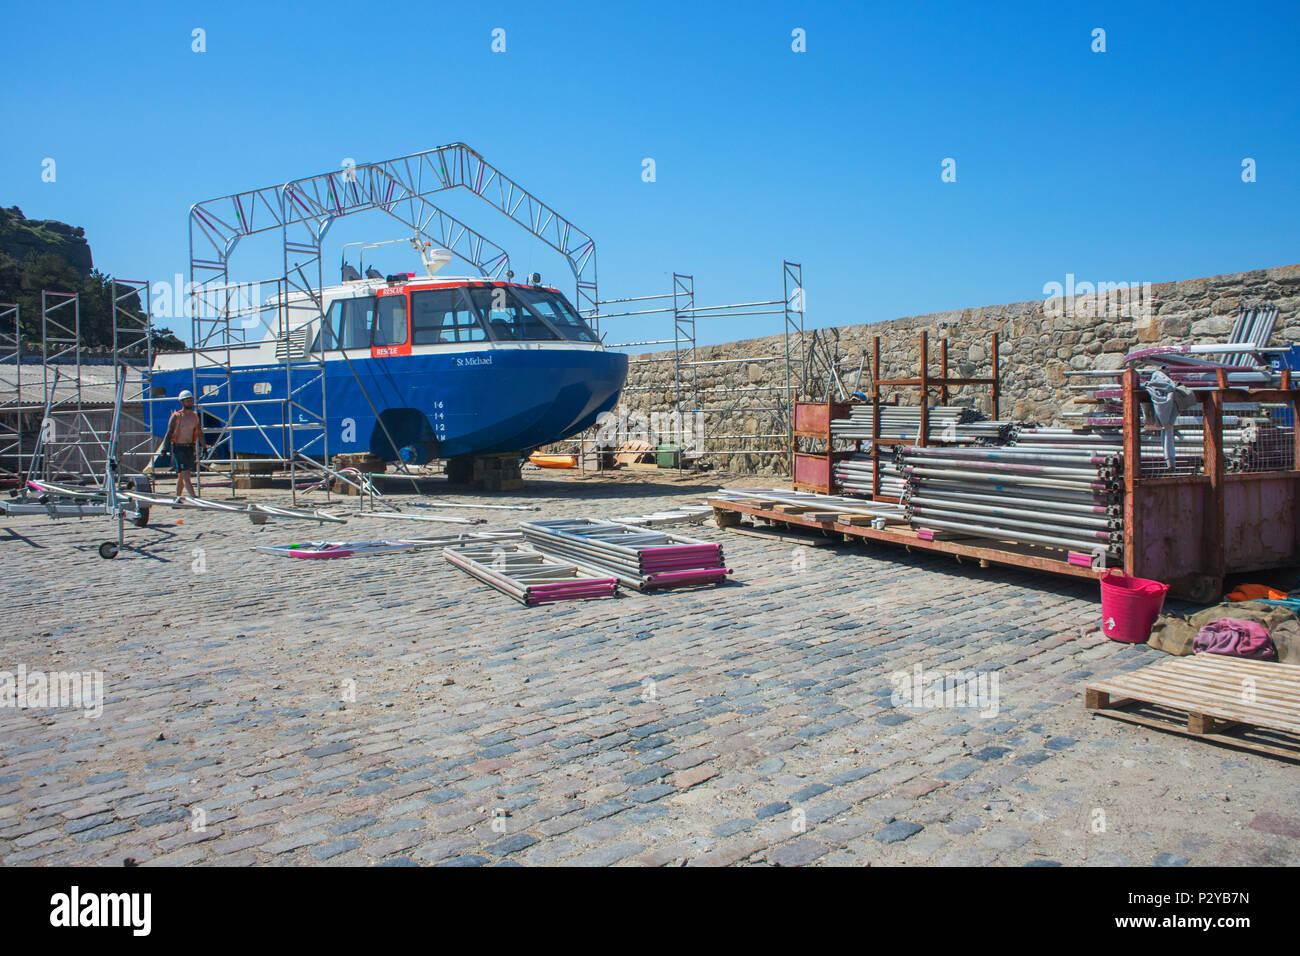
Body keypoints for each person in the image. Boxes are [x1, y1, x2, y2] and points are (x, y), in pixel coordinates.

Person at [166, 391, 206, 498]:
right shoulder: (176, 416)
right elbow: (169, 432)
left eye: (191, 401)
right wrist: (164, 448)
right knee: (186, 475)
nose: (190, 403)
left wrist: (204, 446)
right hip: (179, 448)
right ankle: (193, 497)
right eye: (187, 401)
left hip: (189, 448)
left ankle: (177, 498)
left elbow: (199, 432)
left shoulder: (194, 417)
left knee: (182, 475)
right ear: (182, 402)